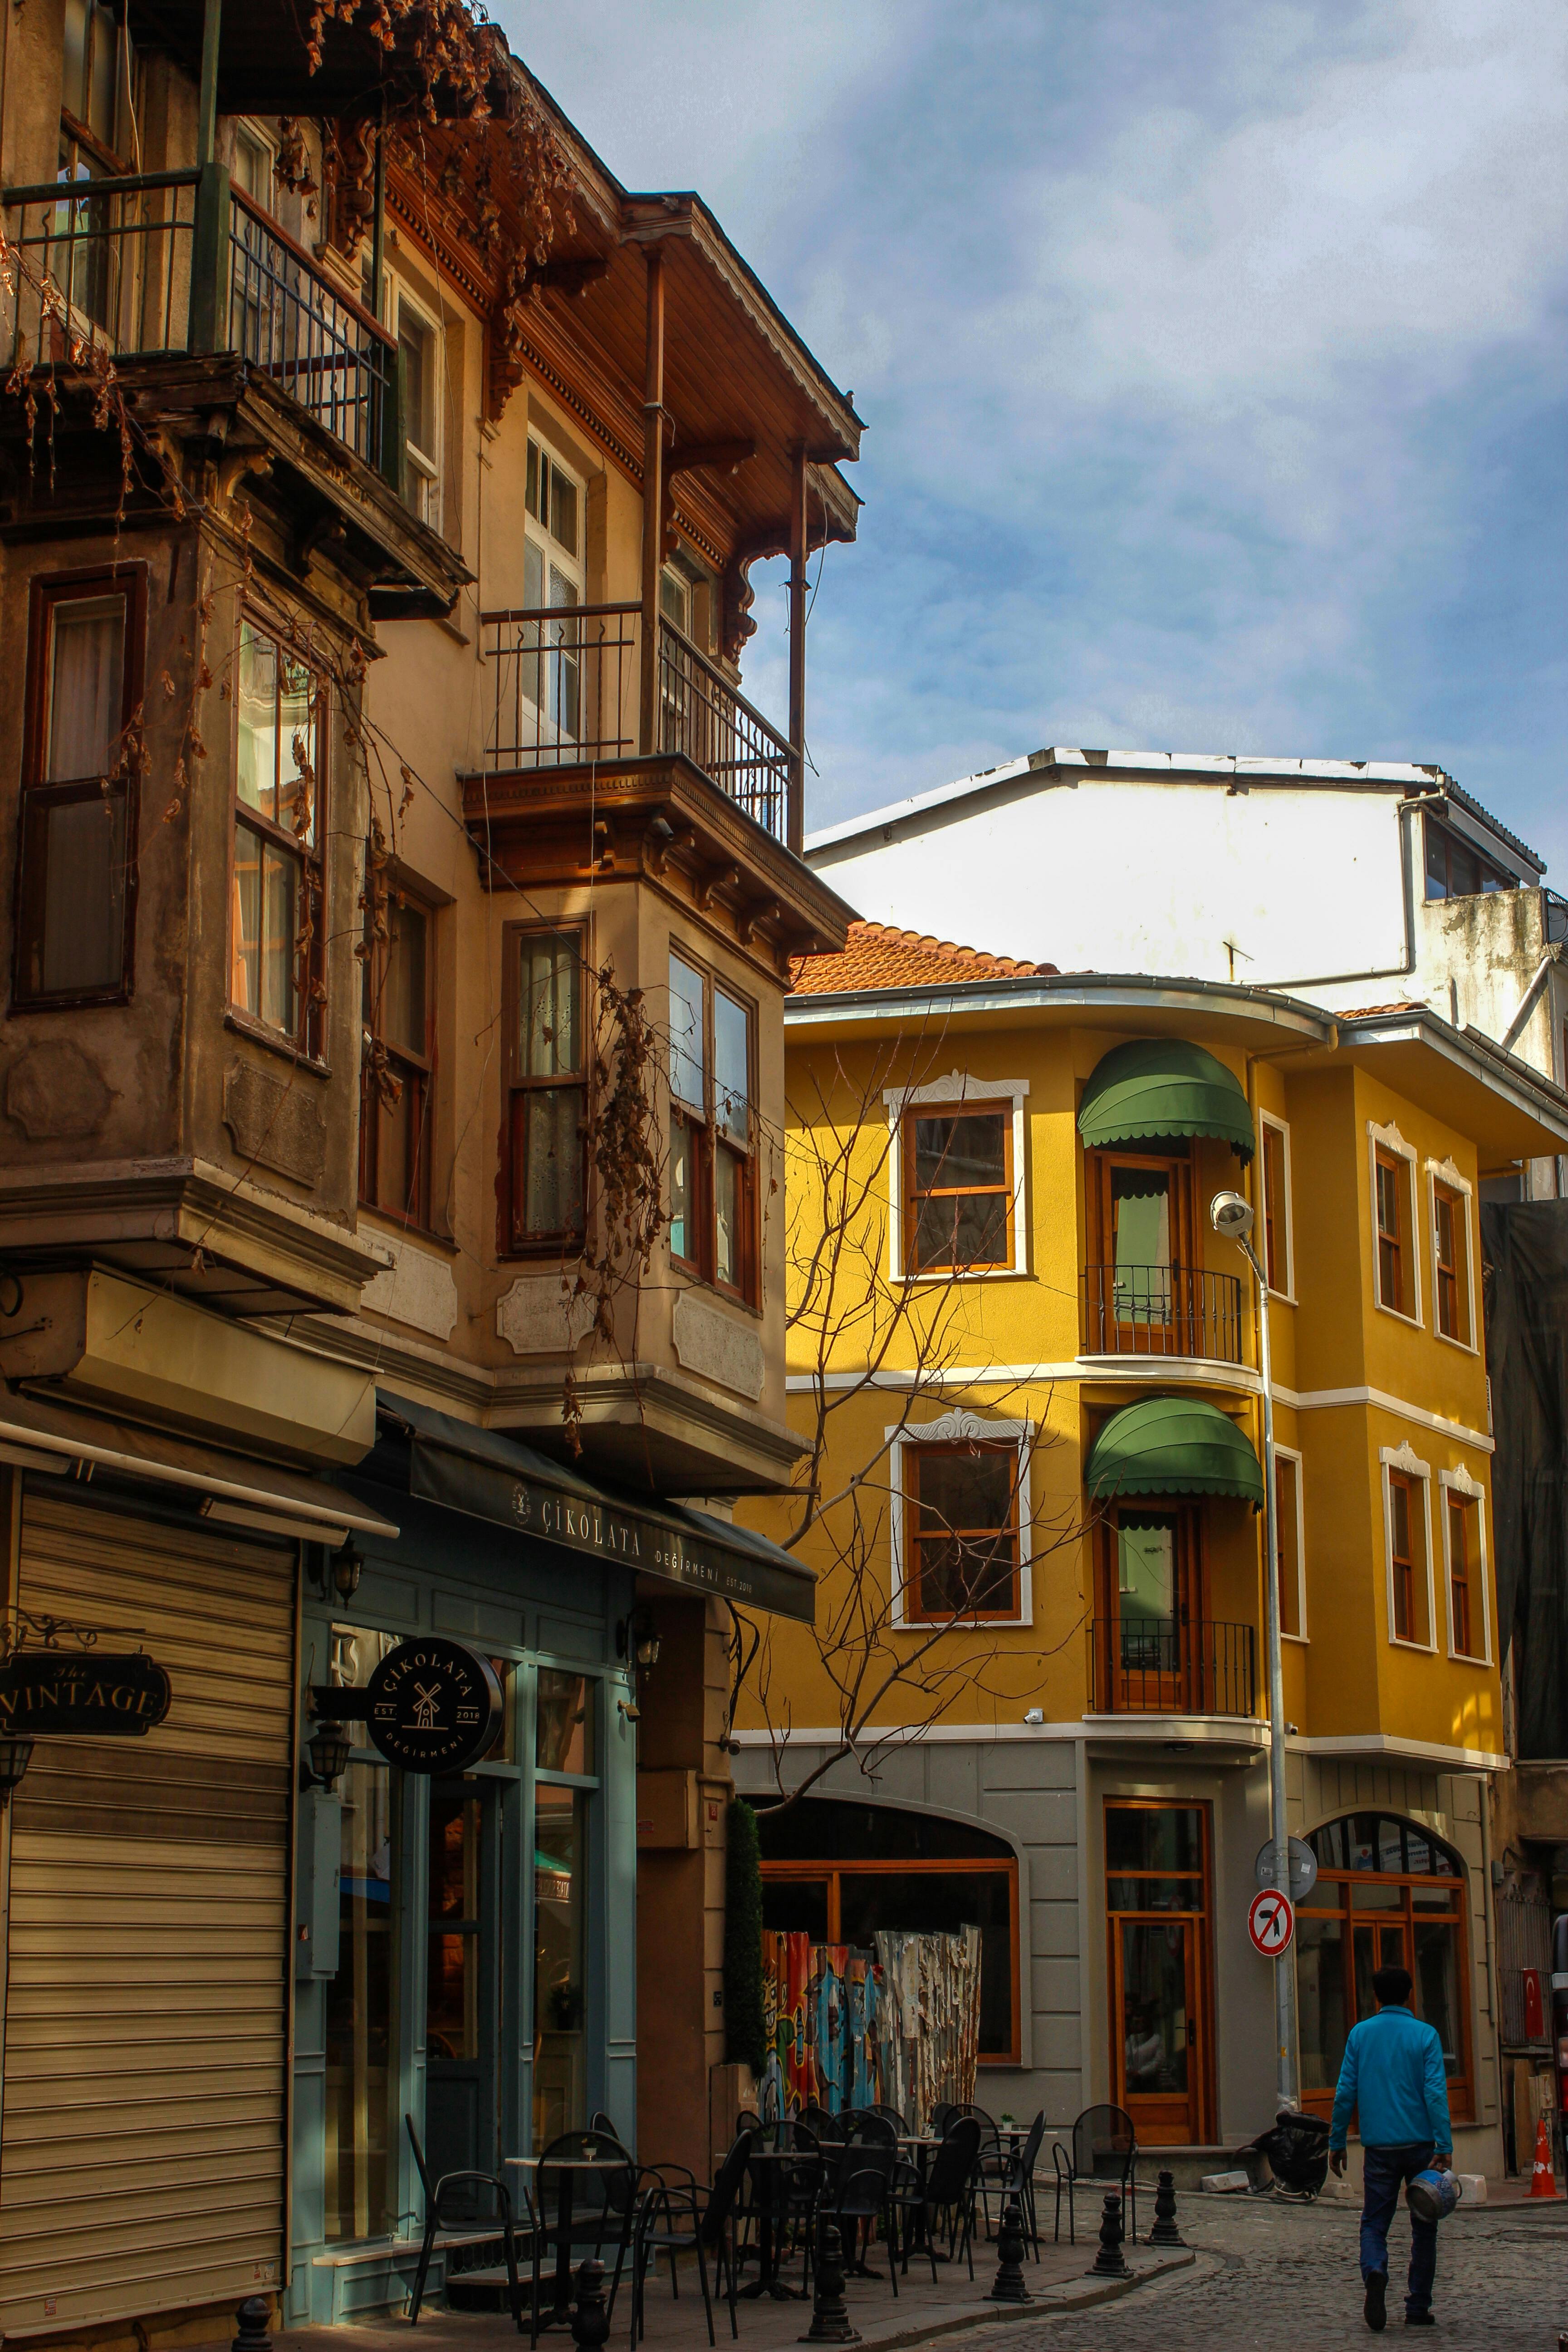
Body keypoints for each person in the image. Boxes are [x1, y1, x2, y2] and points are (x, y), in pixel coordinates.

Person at [1328, 1963, 1453, 2331]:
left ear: (1376, 1996)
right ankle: (1417, 2307)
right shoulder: (1426, 2035)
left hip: (1380, 2147)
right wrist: (1443, 2144)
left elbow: (1344, 2093)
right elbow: (1435, 2093)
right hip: (1421, 2146)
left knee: (1374, 2223)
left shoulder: (1360, 2035)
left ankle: (1376, 2270)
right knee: (1425, 2226)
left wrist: (1337, 2141)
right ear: (1410, 1994)